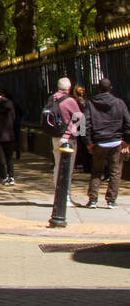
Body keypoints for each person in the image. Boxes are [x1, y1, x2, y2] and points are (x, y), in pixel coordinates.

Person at [84, 76, 130, 208]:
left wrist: (88, 142)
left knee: (97, 171)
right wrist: (126, 141)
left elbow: (84, 124)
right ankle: (111, 200)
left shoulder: (91, 103)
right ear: (111, 89)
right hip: (116, 141)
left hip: (99, 142)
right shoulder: (119, 103)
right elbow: (128, 123)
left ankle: (92, 199)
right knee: (115, 172)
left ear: (98, 89)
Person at [47, 78, 85, 206]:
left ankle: (58, 195)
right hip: (68, 138)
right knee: (67, 169)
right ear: (69, 88)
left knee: (58, 166)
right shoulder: (70, 100)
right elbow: (80, 117)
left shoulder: (52, 99)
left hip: (55, 137)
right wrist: (82, 134)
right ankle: (66, 198)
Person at [73, 86, 92, 175]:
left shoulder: (78, 101)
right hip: (82, 125)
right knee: (84, 146)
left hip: (80, 125)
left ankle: (85, 165)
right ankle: (86, 165)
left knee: (81, 145)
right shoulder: (83, 101)